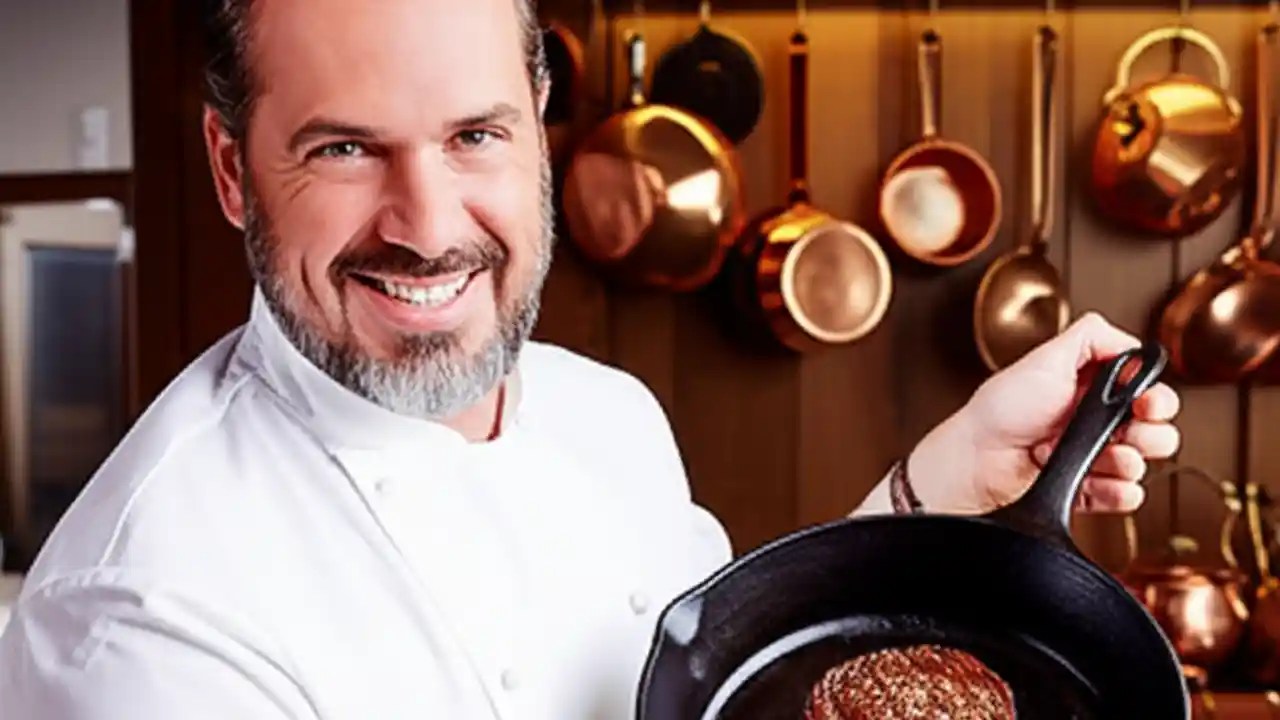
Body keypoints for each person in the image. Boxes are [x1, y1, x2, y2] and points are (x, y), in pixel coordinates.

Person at [0, 0, 1181, 717]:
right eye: (348, 148)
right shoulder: (145, 625)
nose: (426, 225)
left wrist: (936, 487)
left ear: (537, 120)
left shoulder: (600, 410)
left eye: (474, 135)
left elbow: (722, 686)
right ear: (228, 168)